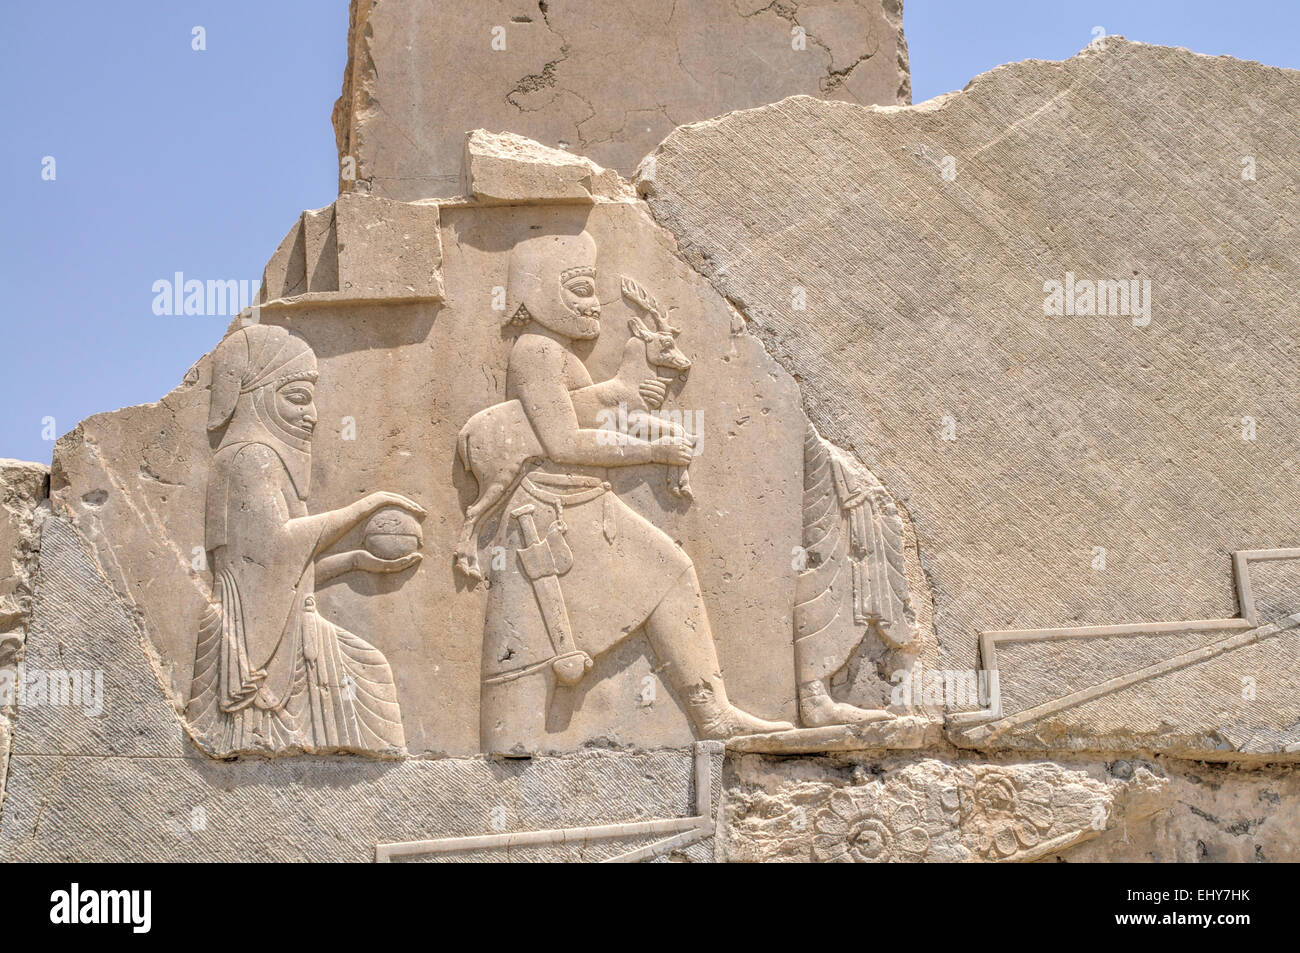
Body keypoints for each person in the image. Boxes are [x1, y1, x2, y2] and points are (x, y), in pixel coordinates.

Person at [476, 230, 793, 755]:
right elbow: (565, 441)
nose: (593, 305)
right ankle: (499, 785)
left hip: (582, 506)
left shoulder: (558, 355)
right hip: (550, 516)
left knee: (670, 571)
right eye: (578, 289)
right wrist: (655, 451)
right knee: (521, 690)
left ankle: (713, 714)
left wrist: (648, 424)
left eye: (591, 291)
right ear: (539, 292)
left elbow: (592, 414)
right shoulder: (535, 353)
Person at [188, 324, 424, 755]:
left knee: (368, 673)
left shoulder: (257, 457)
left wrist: (354, 561)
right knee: (370, 673)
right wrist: (362, 509)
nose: (311, 414)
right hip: (253, 644)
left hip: (280, 627)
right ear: (254, 394)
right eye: (296, 398)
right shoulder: (250, 458)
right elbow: (278, 549)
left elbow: (279, 571)